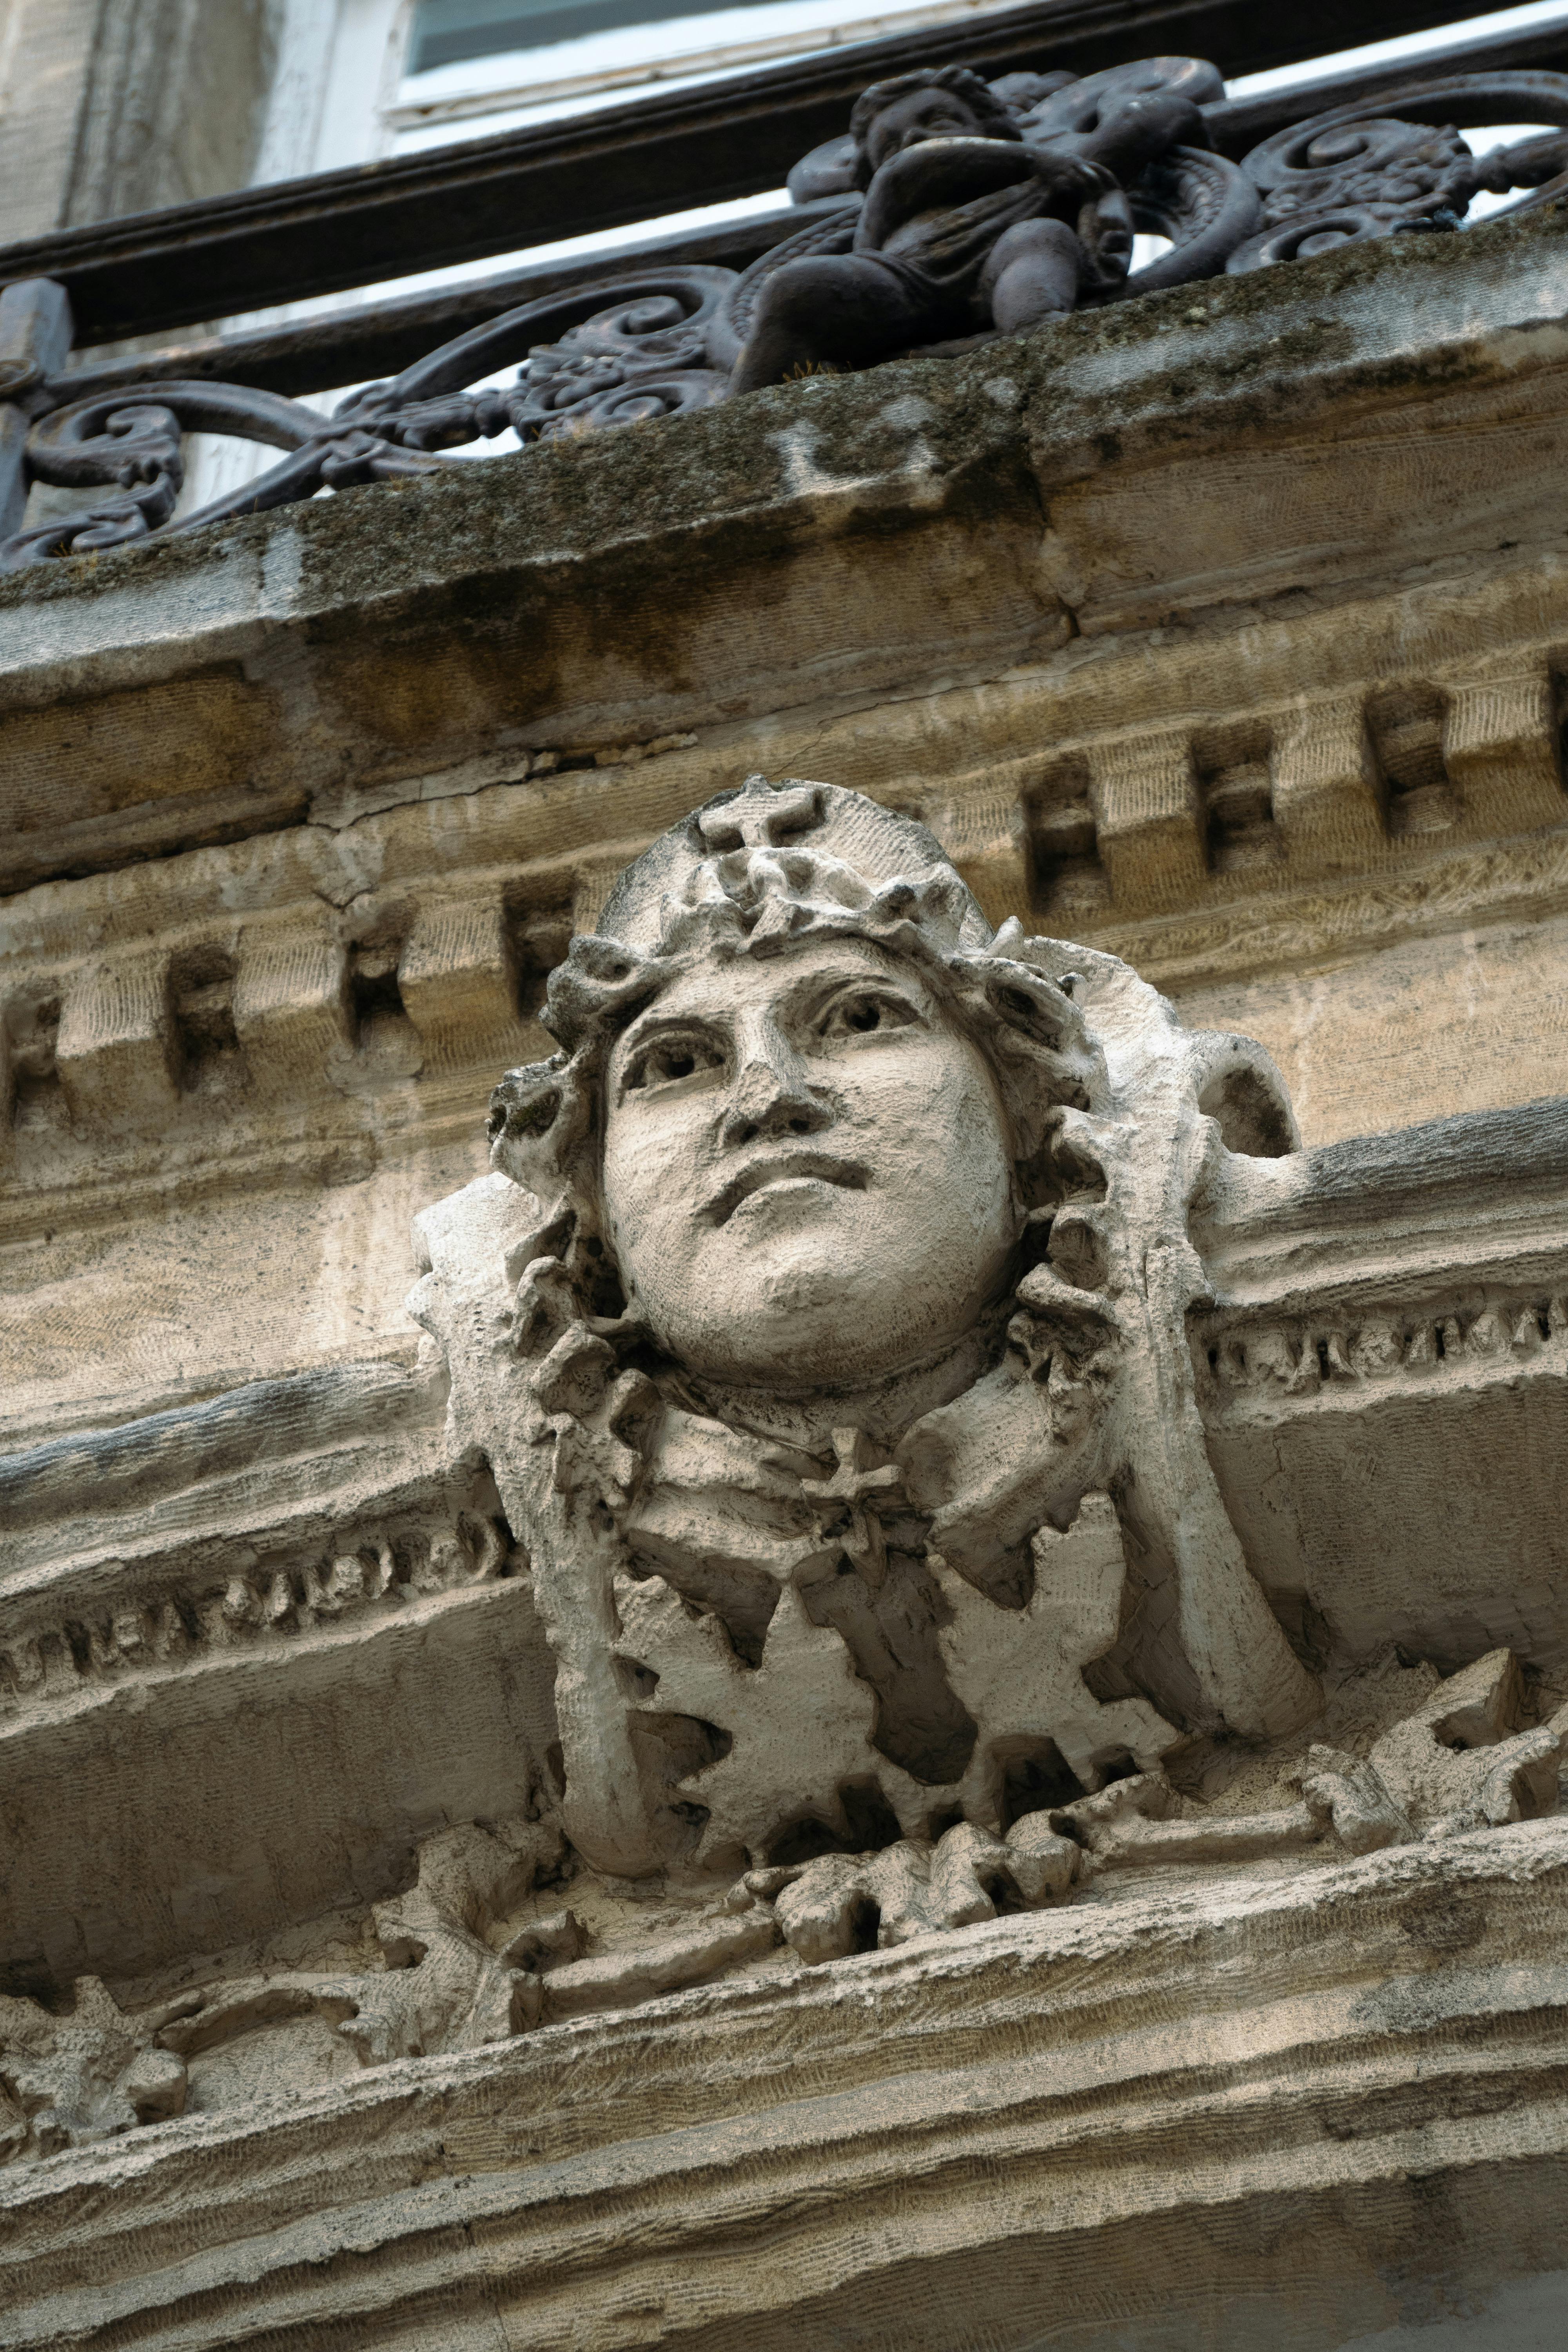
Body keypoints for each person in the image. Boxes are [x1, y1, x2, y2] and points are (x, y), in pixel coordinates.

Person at [730, 64, 1207, 392]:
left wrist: (1166, 115)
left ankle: (1043, 341)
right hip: (904, 284)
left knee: (1038, 238)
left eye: (937, 119)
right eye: (889, 142)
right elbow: (919, 165)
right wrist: (1034, 159)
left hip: (996, 272)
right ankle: (741, 427)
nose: (913, 138)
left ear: (991, 126)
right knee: (797, 287)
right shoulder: (897, 185)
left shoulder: (1041, 182)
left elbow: (1147, 125)